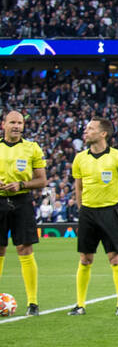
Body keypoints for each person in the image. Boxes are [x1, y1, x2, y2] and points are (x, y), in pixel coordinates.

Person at [68, 117, 118, 316]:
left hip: (109, 211)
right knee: (85, 258)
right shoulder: (80, 158)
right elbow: (78, 188)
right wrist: (82, 209)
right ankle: (80, 305)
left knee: (114, 258)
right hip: (87, 212)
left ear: (103, 133)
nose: (85, 131)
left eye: (90, 128)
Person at [0, 109, 46, 315]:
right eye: (12, 122)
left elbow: (42, 180)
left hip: (22, 201)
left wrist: (22, 184)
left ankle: (33, 303)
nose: (17, 126)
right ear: (3, 125)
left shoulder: (32, 148)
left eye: (20, 123)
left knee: (24, 249)